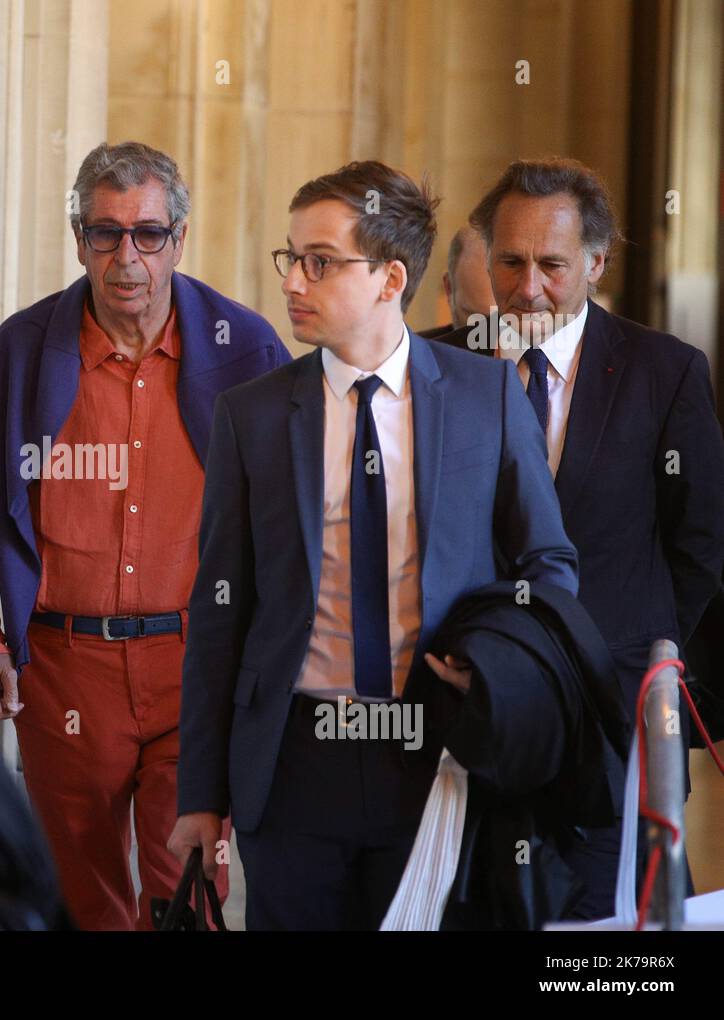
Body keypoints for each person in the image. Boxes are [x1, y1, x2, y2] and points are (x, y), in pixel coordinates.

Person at [168, 160, 579, 929]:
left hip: (435, 749)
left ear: (391, 279)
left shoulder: (487, 398)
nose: (294, 279)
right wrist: (200, 797)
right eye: (291, 257)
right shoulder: (250, 417)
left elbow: (548, 563)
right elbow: (219, 613)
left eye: (320, 262)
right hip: (292, 762)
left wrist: (499, 664)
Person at [0, 141, 289, 930]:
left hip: (196, 669)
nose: (125, 256)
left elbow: (289, 529)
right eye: (104, 233)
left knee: (187, 899)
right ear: (78, 242)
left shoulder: (250, 352)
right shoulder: (22, 354)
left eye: (147, 233)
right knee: (85, 906)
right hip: (64, 676)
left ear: (180, 239)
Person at [452, 157, 724, 918]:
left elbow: (698, 544)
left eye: (552, 265)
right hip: (474, 705)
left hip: (614, 713)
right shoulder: (440, 365)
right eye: (510, 261)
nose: (527, 286)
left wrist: (635, 657)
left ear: (596, 264)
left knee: (602, 922)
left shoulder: (664, 372)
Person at [418, 224, 494, 339]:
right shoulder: (411, 355)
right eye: (477, 322)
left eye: (509, 321)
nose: (494, 338)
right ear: (449, 288)